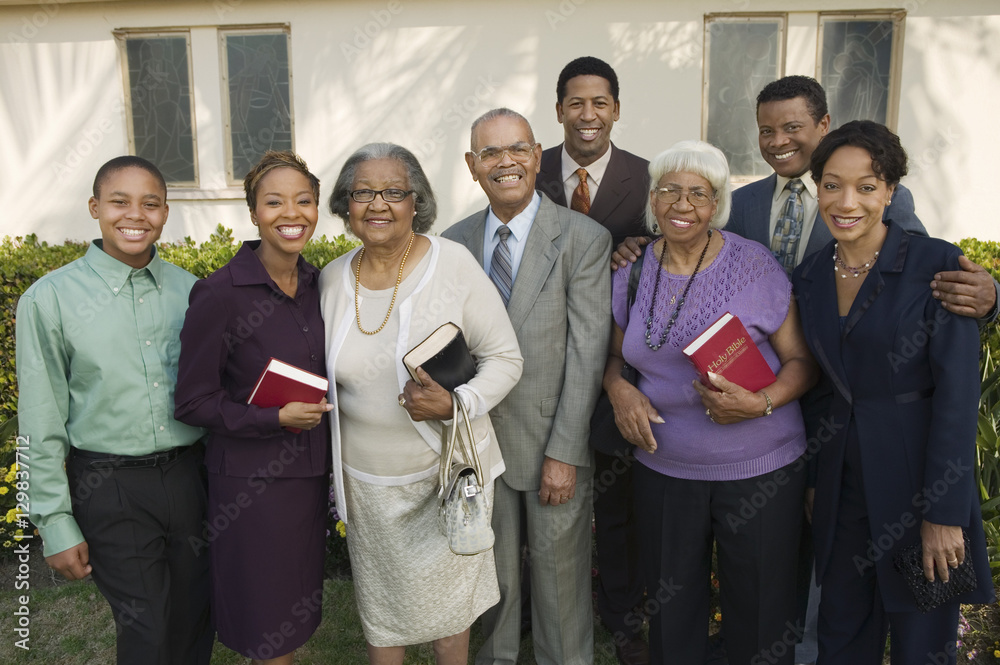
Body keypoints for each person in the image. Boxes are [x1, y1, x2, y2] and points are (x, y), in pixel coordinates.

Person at [605, 140, 818, 665]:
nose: (682, 204)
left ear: (717, 202)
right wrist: (617, 387)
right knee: (673, 609)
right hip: (664, 467)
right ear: (652, 200)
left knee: (762, 611)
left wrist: (762, 402)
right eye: (670, 190)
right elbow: (615, 358)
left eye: (698, 193)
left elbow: (802, 363)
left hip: (760, 468)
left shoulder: (753, 265)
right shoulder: (630, 272)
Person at [791, 120, 994, 664]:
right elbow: (815, 391)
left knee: (923, 645)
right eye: (831, 184)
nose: (846, 201)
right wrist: (815, 481)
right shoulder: (808, 276)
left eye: (866, 185)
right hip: (841, 492)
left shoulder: (938, 265)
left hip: (920, 489)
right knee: (841, 637)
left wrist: (945, 513)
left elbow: (956, 398)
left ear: (891, 192)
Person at [319, 142, 523, 665]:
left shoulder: (452, 263)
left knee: (449, 619)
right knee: (382, 615)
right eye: (362, 193)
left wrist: (459, 402)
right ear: (346, 204)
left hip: (446, 477)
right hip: (368, 486)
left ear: (417, 202)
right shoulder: (331, 278)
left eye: (393, 191)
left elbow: (505, 358)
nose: (378, 204)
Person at [16, 155, 212, 664]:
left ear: (166, 212)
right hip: (109, 485)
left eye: (150, 203)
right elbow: (40, 419)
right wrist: (54, 522)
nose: (136, 215)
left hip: (189, 478)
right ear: (94, 207)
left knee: (194, 618)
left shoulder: (192, 291)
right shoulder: (49, 299)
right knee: (145, 628)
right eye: (119, 202)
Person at [443, 108, 611, 665]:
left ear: (538, 156)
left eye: (517, 149)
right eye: (490, 153)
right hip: (477, 444)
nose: (505, 162)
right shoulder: (453, 243)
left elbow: (587, 353)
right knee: (490, 584)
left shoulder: (583, 238)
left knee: (560, 586)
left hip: (549, 445)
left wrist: (565, 451)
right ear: (472, 166)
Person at [174, 150, 331, 664]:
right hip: (251, 487)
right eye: (275, 202)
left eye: (304, 200)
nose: (292, 213)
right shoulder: (219, 294)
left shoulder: (319, 284)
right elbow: (192, 401)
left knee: (294, 614)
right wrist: (273, 418)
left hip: (309, 479)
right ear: (253, 212)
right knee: (267, 624)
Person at [535, 55, 651, 665]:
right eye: (575, 103)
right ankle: (537, 614)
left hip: (615, 364)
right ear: (559, 110)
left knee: (616, 499)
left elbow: (674, 248)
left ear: (614, 108)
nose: (588, 115)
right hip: (539, 366)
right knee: (539, 491)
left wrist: (643, 244)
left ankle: (624, 616)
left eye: (599, 102)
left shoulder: (646, 176)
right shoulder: (530, 173)